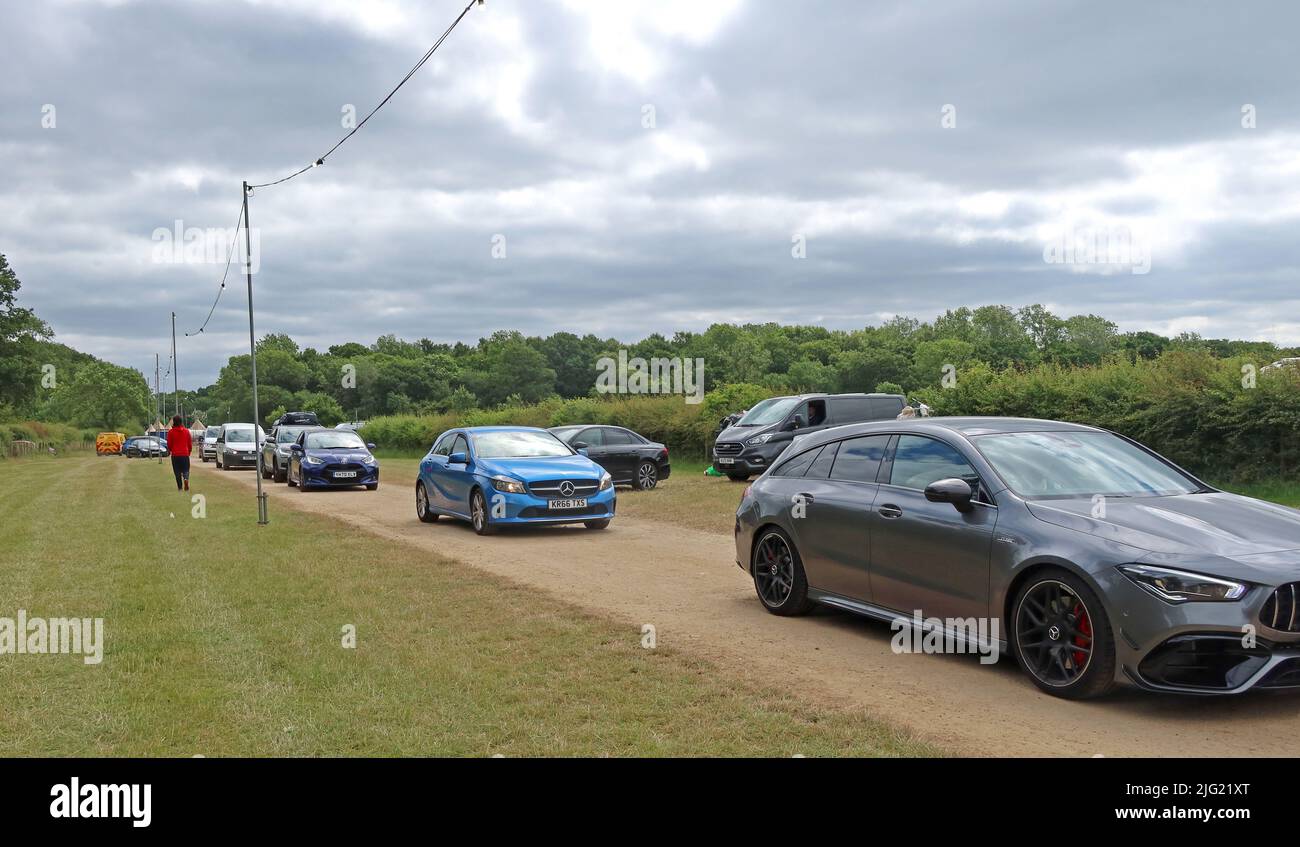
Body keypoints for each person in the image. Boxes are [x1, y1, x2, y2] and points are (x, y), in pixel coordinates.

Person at [165, 415, 193, 492]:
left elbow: (169, 444)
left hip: (175, 455)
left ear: (174, 422)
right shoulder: (186, 431)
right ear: (181, 422)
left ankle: (180, 488)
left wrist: (171, 450)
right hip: (185, 454)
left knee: (177, 471)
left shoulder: (171, 432)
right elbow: (189, 443)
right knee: (186, 470)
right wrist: (189, 452)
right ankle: (186, 479)